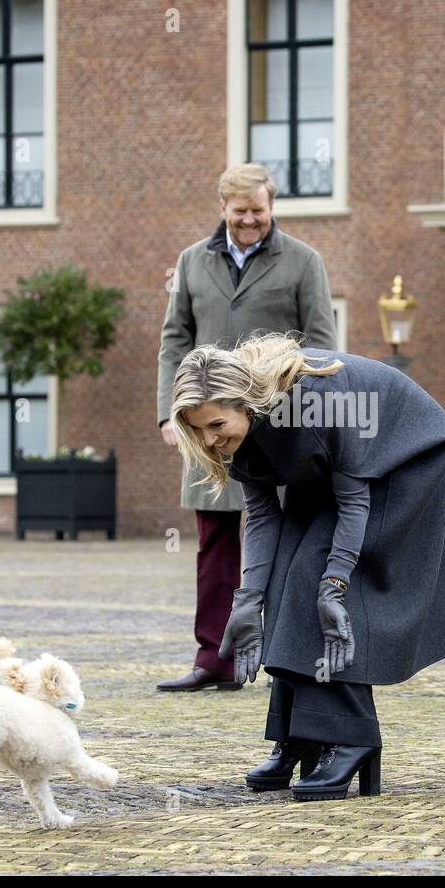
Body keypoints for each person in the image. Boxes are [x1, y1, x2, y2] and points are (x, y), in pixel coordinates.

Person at [168, 334, 445, 800]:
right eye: (199, 431)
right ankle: (301, 733)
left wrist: (334, 586)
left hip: (405, 454)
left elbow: (354, 504)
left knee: (314, 574)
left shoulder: (315, 405)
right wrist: (248, 599)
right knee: (283, 578)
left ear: (245, 402)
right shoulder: (238, 437)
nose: (210, 440)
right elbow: (264, 517)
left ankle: (353, 736)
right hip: (332, 465)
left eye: (215, 424)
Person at [155, 164, 336, 692]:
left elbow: (321, 342)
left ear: (270, 206)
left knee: (285, 537)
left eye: (259, 210)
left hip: (276, 425)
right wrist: (171, 412)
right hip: (208, 428)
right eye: (241, 212)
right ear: (223, 210)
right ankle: (216, 657)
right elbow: (175, 339)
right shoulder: (192, 261)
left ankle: (283, 655)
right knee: (215, 543)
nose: (251, 220)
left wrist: (308, 418)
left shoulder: (304, 261)